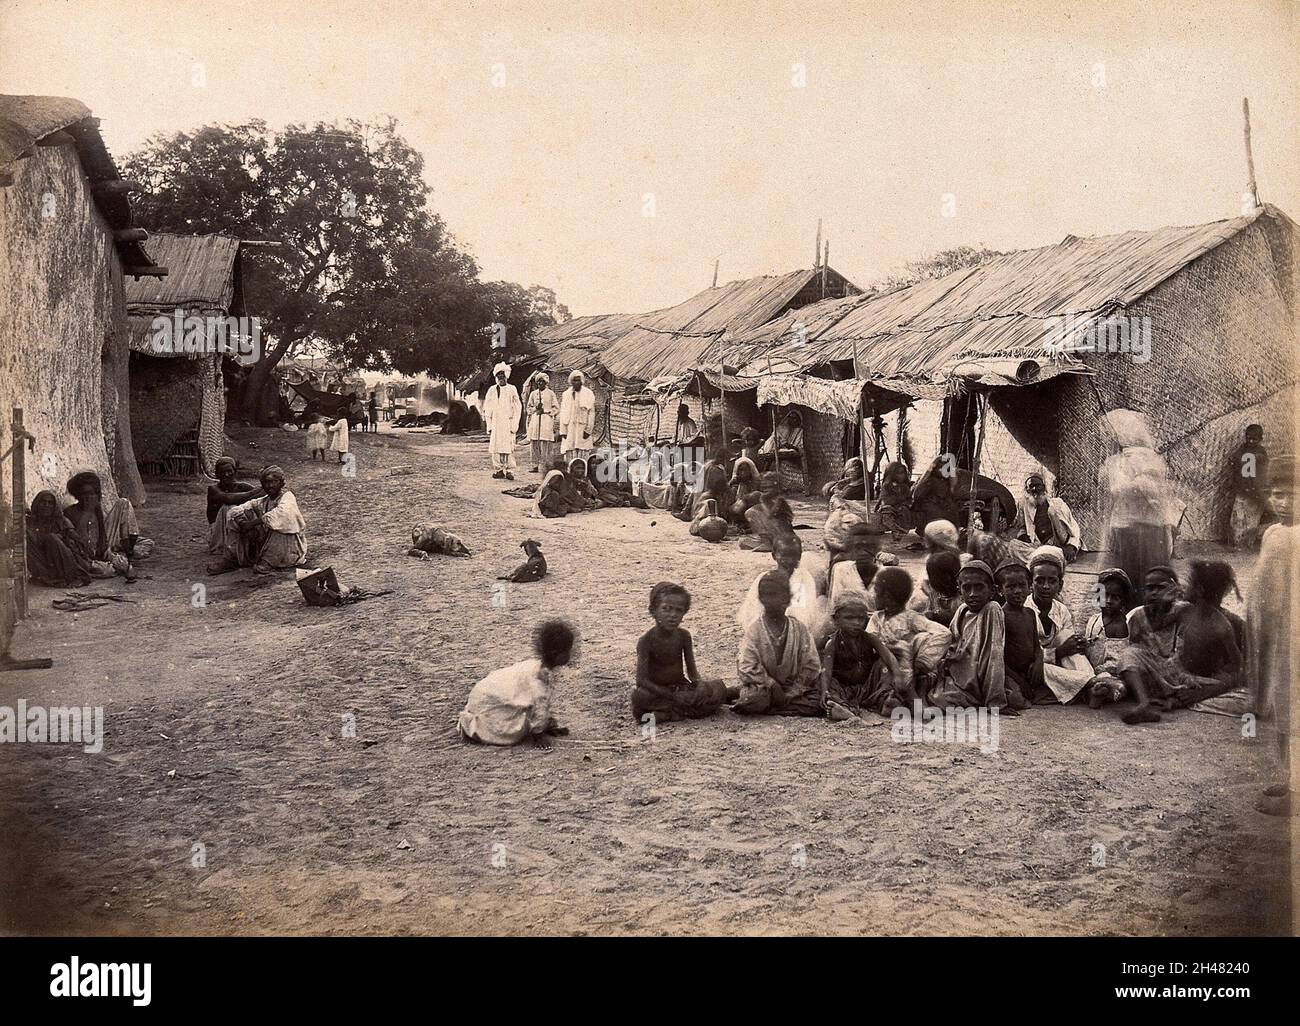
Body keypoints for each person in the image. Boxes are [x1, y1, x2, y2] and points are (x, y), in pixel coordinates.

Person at [1247, 454, 1297, 815]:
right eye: (1277, 494)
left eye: (1293, 494)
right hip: (1282, 632)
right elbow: (1264, 587)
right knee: (1284, 703)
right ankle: (1288, 775)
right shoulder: (1274, 534)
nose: (1284, 502)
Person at [1098, 409, 1178, 606]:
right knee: (1127, 576)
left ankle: (1138, 613)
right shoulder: (1116, 462)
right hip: (1129, 528)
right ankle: (1124, 612)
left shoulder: (1141, 460)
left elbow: (1155, 496)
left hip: (1143, 530)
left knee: (1143, 577)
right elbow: (1116, 493)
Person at [458, 619, 574, 748]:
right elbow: (539, 708)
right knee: (524, 724)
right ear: (556, 654)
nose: (571, 654)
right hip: (485, 719)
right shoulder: (539, 678)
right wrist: (539, 734)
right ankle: (486, 728)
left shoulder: (532, 666)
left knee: (527, 707)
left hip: (481, 703)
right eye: (568, 651)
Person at [631, 582, 737, 723]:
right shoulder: (646, 641)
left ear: (684, 613)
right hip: (659, 692)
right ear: (653, 611)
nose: (673, 615)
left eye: (679, 610)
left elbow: (692, 671)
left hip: (681, 688)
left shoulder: (684, 636)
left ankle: (668, 714)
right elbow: (641, 680)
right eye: (666, 609)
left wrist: (699, 684)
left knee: (717, 687)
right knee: (638, 697)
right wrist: (672, 696)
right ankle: (677, 712)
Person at [733, 571, 823, 716]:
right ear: (761, 599)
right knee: (753, 699)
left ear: (788, 599)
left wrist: (794, 690)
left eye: (778, 595)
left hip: (792, 686)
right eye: (766, 595)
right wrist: (771, 684)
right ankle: (777, 705)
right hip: (764, 686)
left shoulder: (799, 629)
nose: (772, 601)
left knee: (817, 701)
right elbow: (746, 665)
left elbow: (811, 664)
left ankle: (776, 707)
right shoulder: (755, 630)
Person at [928, 560, 1009, 710]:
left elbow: (993, 656)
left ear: (992, 590)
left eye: (979, 588)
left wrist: (995, 701)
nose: (972, 594)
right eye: (967, 588)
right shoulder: (962, 610)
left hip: (972, 682)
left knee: (938, 699)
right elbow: (950, 643)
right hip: (955, 673)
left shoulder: (991, 609)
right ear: (960, 591)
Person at [868, 567, 951, 704]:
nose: (873, 596)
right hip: (885, 664)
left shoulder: (912, 618)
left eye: (876, 592)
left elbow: (944, 633)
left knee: (915, 643)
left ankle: (907, 698)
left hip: (911, 668)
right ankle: (892, 698)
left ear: (887, 596)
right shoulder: (877, 618)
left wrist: (921, 660)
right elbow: (870, 640)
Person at [1025, 544, 1094, 705]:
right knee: (1040, 669)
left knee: (1068, 636)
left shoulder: (1062, 610)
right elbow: (1027, 657)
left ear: (1060, 585)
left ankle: (1084, 685)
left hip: (1056, 664)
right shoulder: (1024, 610)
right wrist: (1058, 652)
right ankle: (1091, 683)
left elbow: (1069, 644)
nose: (1046, 586)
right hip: (1036, 668)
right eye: (1040, 581)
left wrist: (1078, 644)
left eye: (1052, 581)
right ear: (1030, 583)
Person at [208, 466, 308, 575]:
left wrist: (252, 524)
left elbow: (280, 514)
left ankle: (268, 562)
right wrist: (243, 523)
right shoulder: (264, 500)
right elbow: (237, 509)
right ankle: (232, 558)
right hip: (268, 541)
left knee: (280, 526)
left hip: (288, 547)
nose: (270, 486)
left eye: (274, 482)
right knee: (237, 514)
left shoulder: (288, 497)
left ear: (282, 483)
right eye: (266, 483)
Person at [819, 594, 902, 720]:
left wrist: (897, 675)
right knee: (828, 683)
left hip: (868, 687)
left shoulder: (870, 639)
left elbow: (889, 657)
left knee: (883, 665)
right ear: (836, 619)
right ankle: (841, 707)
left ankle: (885, 700)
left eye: (861, 619)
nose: (856, 623)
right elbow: (826, 671)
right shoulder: (832, 643)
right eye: (849, 618)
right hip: (845, 689)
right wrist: (825, 691)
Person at [737, 534, 829, 639]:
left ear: (799, 556)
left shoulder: (802, 578)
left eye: (794, 555)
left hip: (793, 631)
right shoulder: (764, 578)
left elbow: (802, 613)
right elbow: (752, 610)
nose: (789, 560)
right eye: (784, 555)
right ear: (774, 555)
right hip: (765, 628)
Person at [64, 470, 149, 582]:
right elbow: (78, 540)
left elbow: (102, 534)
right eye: (84, 494)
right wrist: (86, 511)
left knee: (139, 550)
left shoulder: (97, 509)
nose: (88, 497)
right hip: (85, 556)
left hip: (101, 550)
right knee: (108, 570)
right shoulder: (71, 512)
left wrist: (106, 551)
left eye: (91, 494)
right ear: (78, 495)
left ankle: (127, 551)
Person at [1081, 568, 1134, 708]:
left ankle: (1095, 690)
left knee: (1120, 687)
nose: (1109, 601)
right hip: (1088, 668)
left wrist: (1098, 672)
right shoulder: (1094, 619)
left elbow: (1115, 662)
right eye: (1105, 596)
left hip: (1107, 673)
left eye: (1115, 597)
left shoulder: (1119, 625)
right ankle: (1092, 688)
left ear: (1123, 601)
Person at [24, 490, 92, 587]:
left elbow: (79, 544)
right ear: (37, 504)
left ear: (54, 506)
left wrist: (63, 540)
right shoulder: (31, 521)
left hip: (67, 561)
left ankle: (74, 577)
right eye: (43, 502)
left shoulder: (62, 521)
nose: (46, 505)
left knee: (51, 538)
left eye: (50, 503)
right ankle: (48, 578)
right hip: (45, 562)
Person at [994, 560, 1038, 709]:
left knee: (1058, 681)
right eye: (1011, 587)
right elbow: (997, 657)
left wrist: (1038, 662)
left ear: (1029, 587)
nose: (1018, 591)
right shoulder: (1001, 615)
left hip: (1030, 670)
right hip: (1010, 672)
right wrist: (1020, 680)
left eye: (1022, 586)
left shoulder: (1030, 613)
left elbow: (1036, 645)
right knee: (1016, 699)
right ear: (1000, 590)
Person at [1011, 473, 1082, 561]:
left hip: (1057, 544)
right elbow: (1022, 527)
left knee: (1052, 512)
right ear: (1027, 489)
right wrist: (1022, 535)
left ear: (1044, 487)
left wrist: (1071, 545)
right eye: (1031, 486)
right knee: (1012, 545)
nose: (1034, 489)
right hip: (1037, 544)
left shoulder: (1058, 504)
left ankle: (1043, 556)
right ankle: (1050, 556)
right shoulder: (1023, 505)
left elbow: (1074, 527)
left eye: (1038, 486)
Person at [206, 457, 263, 554]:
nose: (226, 475)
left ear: (235, 472)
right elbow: (228, 499)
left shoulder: (243, 487)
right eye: (222, 472)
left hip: (236, 526)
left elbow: (261, 496)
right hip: (218, 530)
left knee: (251, 508)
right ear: (216, 474)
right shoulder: (213, 489)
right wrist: (254, 492)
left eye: (229, 471)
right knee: (228, 507)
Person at [1228, 424, 1269, 549]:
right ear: (1245, 437)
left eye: (1254, 439)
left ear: (1260, 439)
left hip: (1254, 490)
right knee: (1237, 517)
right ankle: (1236, 542)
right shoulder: (1242, 450)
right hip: (1242, 488)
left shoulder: (1261, 452)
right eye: (1249, 438)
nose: (1251, 441)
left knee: (1252, 518)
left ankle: (1248, 543)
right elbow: (1235, 465)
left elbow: (1263, 470)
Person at [483, 362, 522, 480]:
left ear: (506, 375)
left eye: (502, 375)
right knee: (496, 447)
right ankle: (499, 469)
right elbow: (487, 408)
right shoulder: (491, 390)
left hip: (508, 422)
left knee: (508, 447)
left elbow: (517, 407)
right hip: (496, 422)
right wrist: (489, 424)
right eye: (498, 375)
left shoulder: (512, 389)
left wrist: (514, 424)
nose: (501, 377)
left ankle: (509, 470)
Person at [739, 472, 794, 552]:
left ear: (776, 487)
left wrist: (762, 501)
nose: (765, 490)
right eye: (764, 488)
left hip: (783, 536)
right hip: (775, 535)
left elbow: (770, 516)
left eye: (769, 487)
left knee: (751, 512)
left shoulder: (779, 500)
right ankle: (766, 542)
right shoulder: (768, 499)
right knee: (742, 542)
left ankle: (767, 543)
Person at [909, 549, 963, 628]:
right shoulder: (935, 593)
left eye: (933, 578)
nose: (930, 581)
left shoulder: (961, 599)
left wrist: (936, 617)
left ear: (947, 578)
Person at [558, 371, 597, 464]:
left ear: (582, 381)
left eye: (578, 380)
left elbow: (591, 413)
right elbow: (562, 413)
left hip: (582, 427)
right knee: (569, 450)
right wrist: (563, 431)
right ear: (571, 382)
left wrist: (588, 430)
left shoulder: (588, 393)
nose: (576, 383)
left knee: (583, 451)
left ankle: (583, 473)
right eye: (574, 381)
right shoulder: (566, 394)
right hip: (569, 427)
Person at [524, 372, 559, 473]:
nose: (540, 383)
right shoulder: (533, 394)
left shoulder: (551, 394)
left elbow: (556, 408)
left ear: (546, 382)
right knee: (534, 441)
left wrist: (547, 411)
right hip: (535, 419)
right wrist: (535, 408)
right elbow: (528, 408)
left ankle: (546, 464)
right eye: (538, 381)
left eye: (542, 381)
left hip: (546, 419)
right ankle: (535, 464)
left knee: (545, 442)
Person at [875, 461, 913, 537]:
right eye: (899, 473)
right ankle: (894, 529)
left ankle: (901, 529)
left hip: (901, 507)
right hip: (888, 507)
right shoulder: (887, 486)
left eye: (903, 473)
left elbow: (909, 498)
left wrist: (905, 503)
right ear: (892, 474)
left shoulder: (904, 486)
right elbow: (886, 500)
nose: (902, 476)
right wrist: (900, 499)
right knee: (887, 512)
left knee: (905, 511)